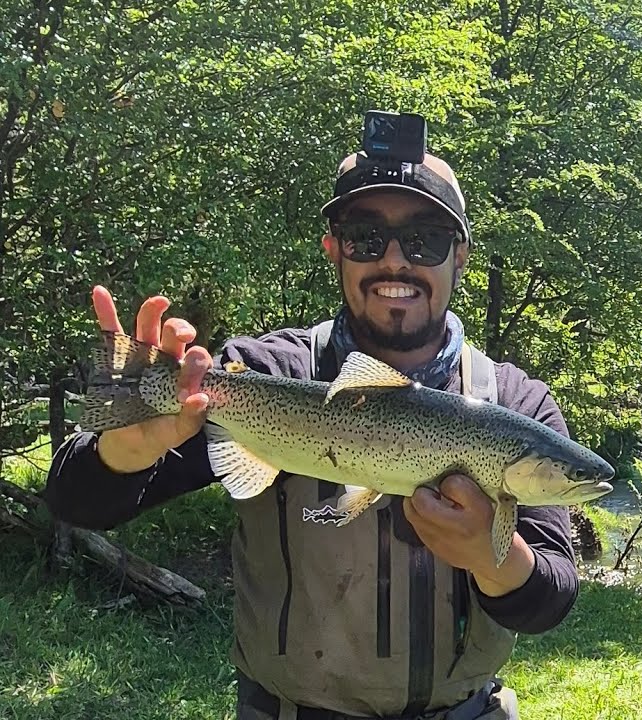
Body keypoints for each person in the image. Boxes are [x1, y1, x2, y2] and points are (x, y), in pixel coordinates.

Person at [42, 137, 582, 719]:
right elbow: (75, 501)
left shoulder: (514, 405)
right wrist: (126, 447)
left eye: (424, 239)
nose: (395, 261)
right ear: (334, 249)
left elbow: (548, 602)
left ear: (461, 255)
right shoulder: (267, 375)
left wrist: (489, 557)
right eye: (365, 237)